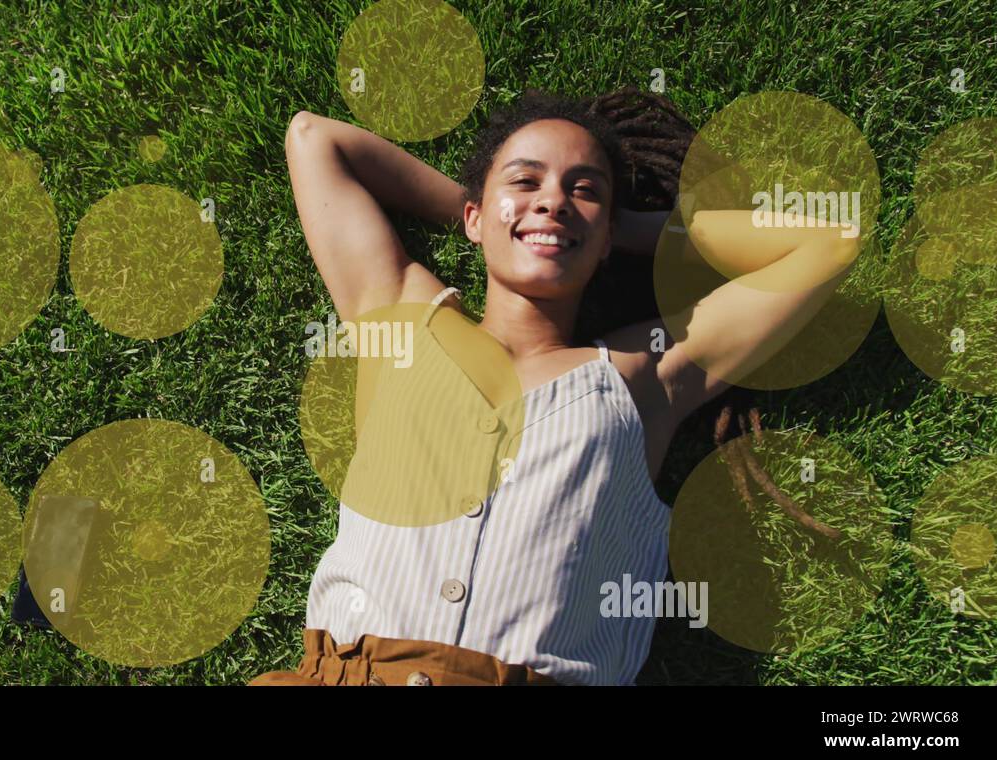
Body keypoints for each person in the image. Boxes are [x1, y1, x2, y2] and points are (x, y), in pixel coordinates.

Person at [251, 88, 858, 686]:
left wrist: (613, 232)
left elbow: (825, 246)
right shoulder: (402, 317)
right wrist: (495, 219)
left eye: (584, 190)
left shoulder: (643, 376)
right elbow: (315, 137)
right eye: (525, 182)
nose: (554, 201)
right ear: (473, 216)